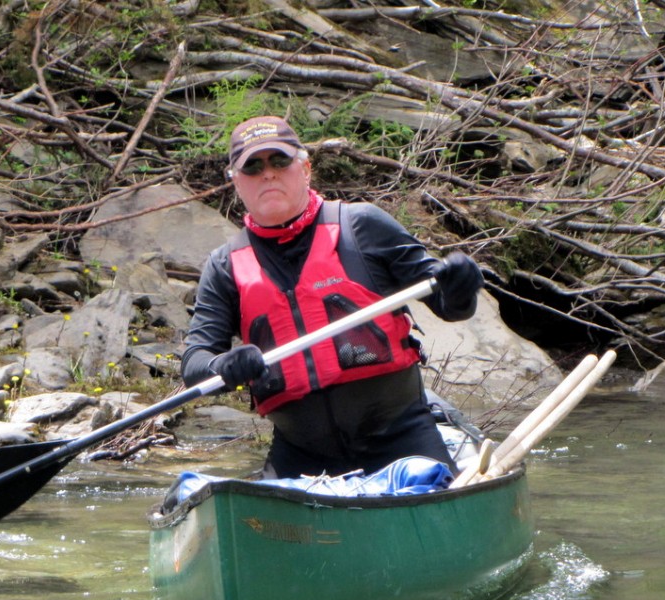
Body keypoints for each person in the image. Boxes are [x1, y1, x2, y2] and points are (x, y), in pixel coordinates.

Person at [180, 115, 484, 479]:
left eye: (280, 161)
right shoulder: (224, 267)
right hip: (300, 453)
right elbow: (195, 364)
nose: (268, 174)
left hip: (401, 437)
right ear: (237, 184)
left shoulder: (364, 227)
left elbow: (450, 307)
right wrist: (224, 366)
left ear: (305, 169)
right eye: (253, 167)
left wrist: (461, 287)